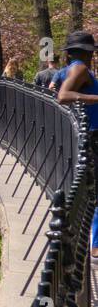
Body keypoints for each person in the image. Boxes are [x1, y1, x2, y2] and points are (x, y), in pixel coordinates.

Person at [54, 31, 98, 254]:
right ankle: (96, 246)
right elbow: (63, 96)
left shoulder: (68, 69)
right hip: (93, 135)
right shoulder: (80, 68)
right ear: (87, 52)